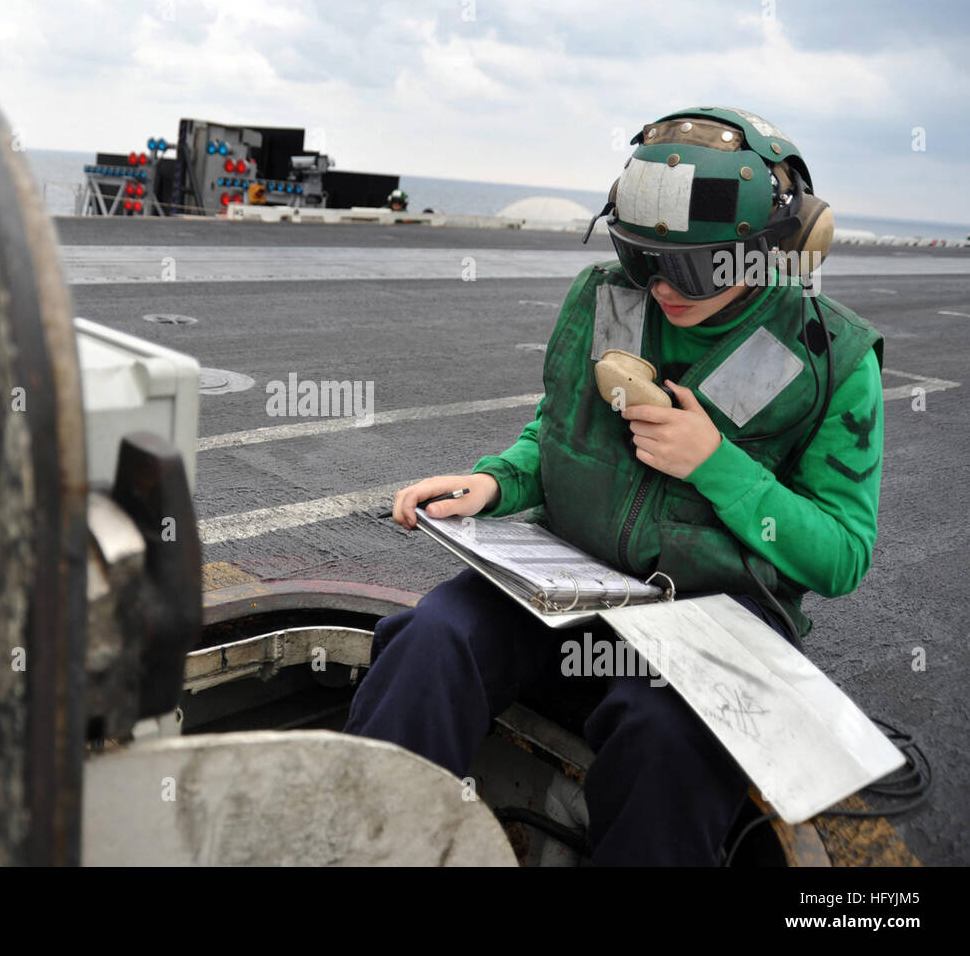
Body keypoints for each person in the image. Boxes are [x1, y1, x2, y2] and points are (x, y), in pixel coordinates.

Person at [344, 106, 885, 866]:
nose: (662, 288)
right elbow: (554, 431)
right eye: (642, 259)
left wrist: (716, 465)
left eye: (693, 268)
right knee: (430, 642)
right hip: (569, 587)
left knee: (664, 743)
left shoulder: (833, 358)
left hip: (705, 625)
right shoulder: (604, 299)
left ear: (774, 251)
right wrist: (496, 482)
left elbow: (842, 555)